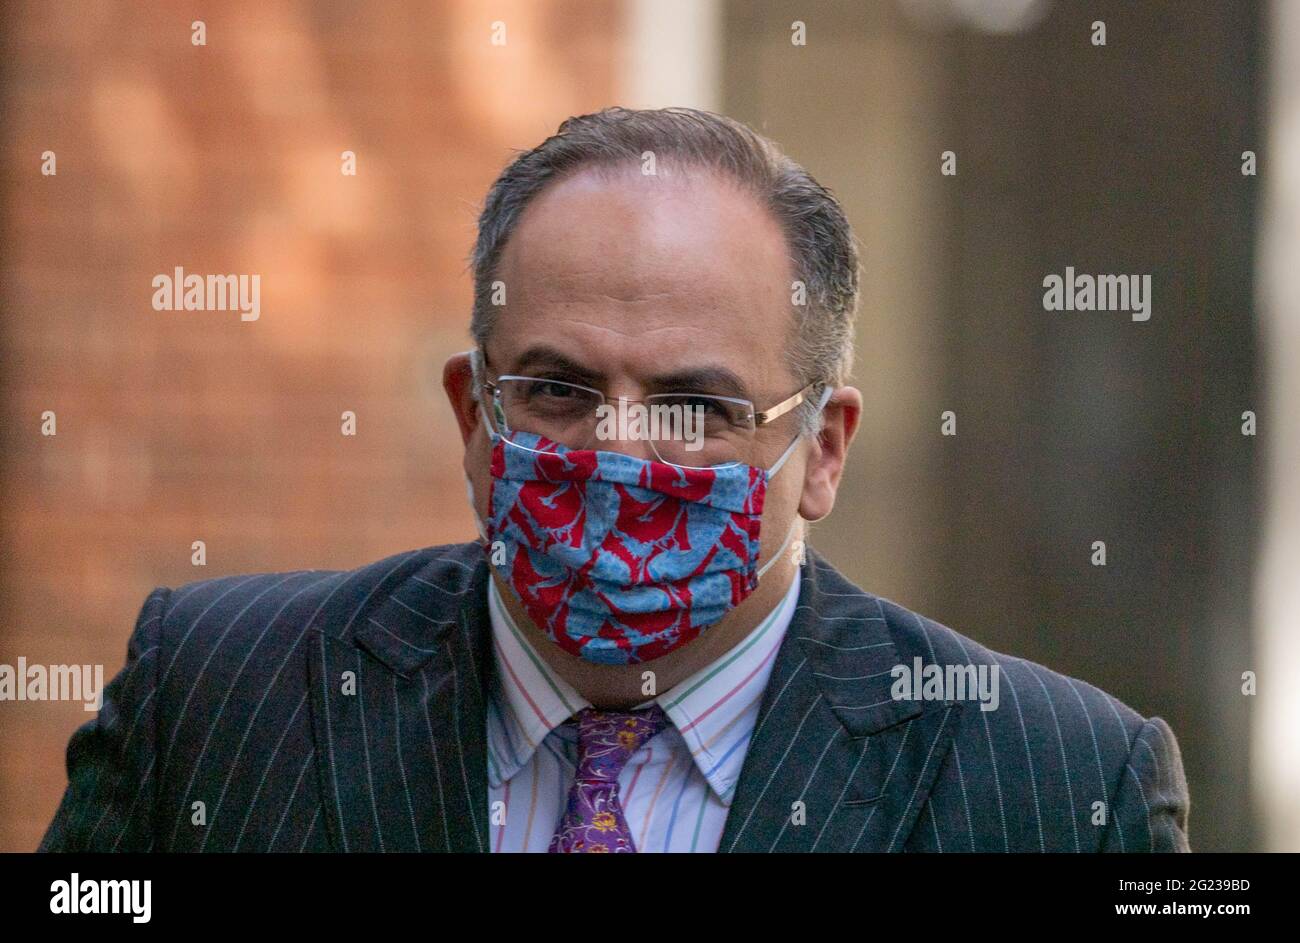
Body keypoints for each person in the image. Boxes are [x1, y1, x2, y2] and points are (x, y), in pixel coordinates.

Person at [39, 107, 1190, 853]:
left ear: (822, 451)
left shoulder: (1059, 788)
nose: (619, 453)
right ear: (471, 418)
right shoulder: (216, 697)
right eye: (555, 390)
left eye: (696, 407)